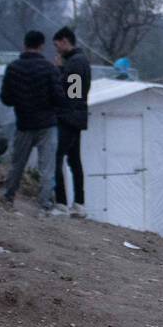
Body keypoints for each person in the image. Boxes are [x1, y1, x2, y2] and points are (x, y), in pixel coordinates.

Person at [0, 30, 63, 215]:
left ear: (25, 44)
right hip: (47, 125)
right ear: (41, 45)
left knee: (17, 164)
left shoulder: (13, 68)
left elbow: (6, 99)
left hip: (24, 123)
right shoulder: (50, 68)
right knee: (47, 167)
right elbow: (59, 97)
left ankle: (8, 197)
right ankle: (45, 204)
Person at [52, 26, 91, 217]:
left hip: (69, 117)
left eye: (57, 45)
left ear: (65, 41)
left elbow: (73, 93)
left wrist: (59, 71)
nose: (56, 50)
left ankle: (61, 202)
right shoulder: (80, 60)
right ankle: (79, 203)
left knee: (57, 158)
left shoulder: (75, 63)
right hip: (76, 117)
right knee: (75, 161)